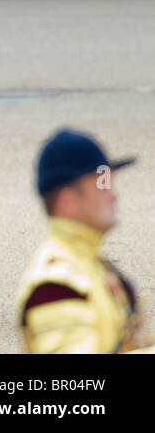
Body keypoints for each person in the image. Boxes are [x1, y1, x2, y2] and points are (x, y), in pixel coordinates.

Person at [16, 128, 152, 353]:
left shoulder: (88, 265)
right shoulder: (56, 284)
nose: (113, 194)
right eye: (102, 184)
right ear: (68, 201)